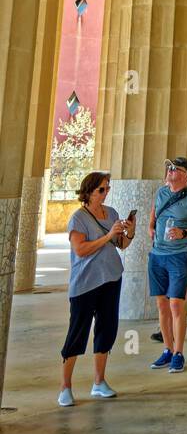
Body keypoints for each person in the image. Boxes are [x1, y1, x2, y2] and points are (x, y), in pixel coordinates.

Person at [59, 172, 135, 406]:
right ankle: (65, 386)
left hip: (111, 278)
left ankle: (99, 381)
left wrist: (129, 231)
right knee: (78, 332)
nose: (105, 193)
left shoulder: (110, 213)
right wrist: (109, 235)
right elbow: (80, 250)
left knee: (107, 329)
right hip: (86, 283)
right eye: (101, 189)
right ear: (89, 192)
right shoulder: (79, 218)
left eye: (107, 189)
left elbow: (121, 244)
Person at [148, 157, 187, 374]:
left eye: (175, 168)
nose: (170, 171)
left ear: (185, 175)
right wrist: (150, 227)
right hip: (157, 255)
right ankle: (167, 348)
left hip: (180, 255)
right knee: (162, 305)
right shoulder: (161, 192)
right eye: (169, 167)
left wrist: (185, 233)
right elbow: (154, 212)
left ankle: (179, 353)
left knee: (176, 304)